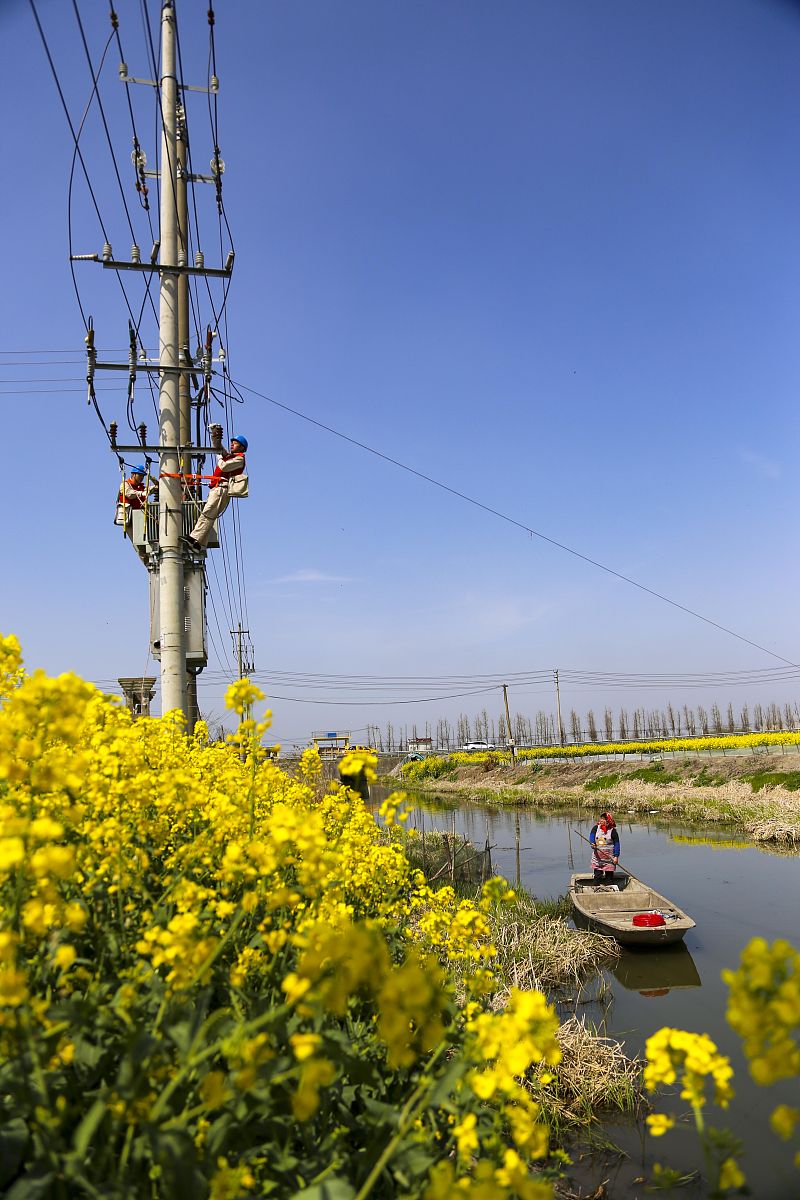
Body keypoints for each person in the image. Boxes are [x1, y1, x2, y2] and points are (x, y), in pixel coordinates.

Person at [186, 435, 248, 549]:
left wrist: (219, 457)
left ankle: (194, 538)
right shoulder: (231, 456)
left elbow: (223, 466)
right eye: (232, 442)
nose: (232, 444)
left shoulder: (239, 459)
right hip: (217, 488)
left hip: (221, 488)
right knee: (209, 514)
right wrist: (215, 435)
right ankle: (199, 543)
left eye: (235, 443)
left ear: (242, 447)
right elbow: (219, 448)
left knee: (208, 513)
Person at [115, 464, 152, 567]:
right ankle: (147, 563)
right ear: (133, 474)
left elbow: (145, 493)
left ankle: (151, 559)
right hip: (129, 517)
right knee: (138, 543)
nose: (141, 477)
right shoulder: (125, 484)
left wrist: (152, 489)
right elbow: (129, 494)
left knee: (146, 541)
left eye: (143, 476)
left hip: (141, 517)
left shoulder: (141, 487)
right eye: (139, 475)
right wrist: (141, 493)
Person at [589, 811, 619, 883]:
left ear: (608, 820)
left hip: (609, 860)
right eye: (601, 818)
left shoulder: (613, 831)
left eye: (603, 819)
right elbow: (592, 836)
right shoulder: (596, 828)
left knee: (609, 881)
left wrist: (616, 857)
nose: (601, 820)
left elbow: (617, 844)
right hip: (598, 859)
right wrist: (592, 843)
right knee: (597, 879)